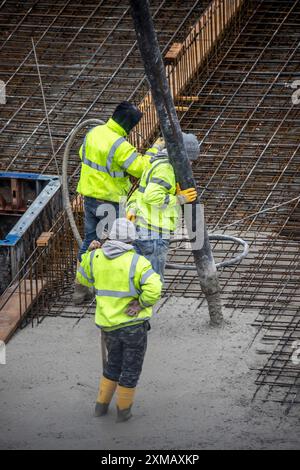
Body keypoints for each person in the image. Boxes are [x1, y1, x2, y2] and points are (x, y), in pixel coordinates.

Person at [73, 101, 160, 304]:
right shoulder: (120, 145)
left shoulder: (94, 132)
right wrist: (154, 151)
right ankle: (112, 285)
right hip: (110, 202)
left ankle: (80, 287)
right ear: (129, 125)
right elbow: (140, 169)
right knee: (116, 244)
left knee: (89, 241)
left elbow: (81, 154)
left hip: (89, 198)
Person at [76, 218, 162, 422]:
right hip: (133, 326)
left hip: (108, 325)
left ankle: (101, 406)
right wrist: (141, 303)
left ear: (110, 236)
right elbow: (155, 289)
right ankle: (123, 411)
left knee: (113, 364)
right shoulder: (138, 262)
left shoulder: (95, 257)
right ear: (131, 240)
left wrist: (89, 252)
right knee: (131, 368)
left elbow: (83, 278)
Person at [126, 133, 199, 281]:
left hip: (141, 228)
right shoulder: (166, 169)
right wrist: (180, 199)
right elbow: (151, 196)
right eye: (189, 160)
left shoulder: (157, 162)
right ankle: (143, 304)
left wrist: (131, 208)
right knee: (151, 282)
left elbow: (140, 191)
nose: (190, 164)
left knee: (136, 278)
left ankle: (133, 303)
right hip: (154, 233)